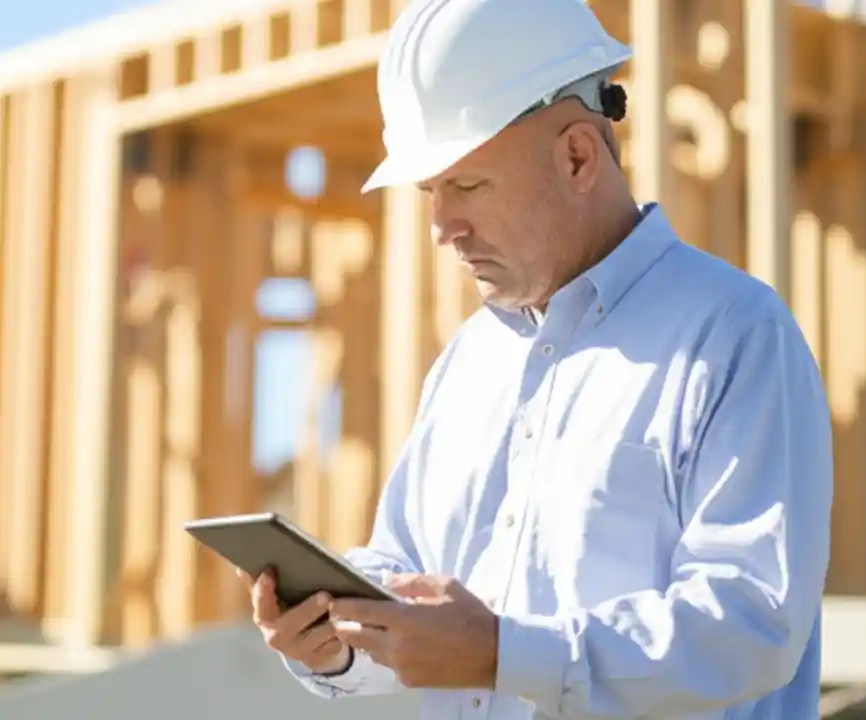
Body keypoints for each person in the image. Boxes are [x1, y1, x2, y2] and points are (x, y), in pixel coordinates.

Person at [238, 0, 834, 717]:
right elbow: (408, 578)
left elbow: (751, 626)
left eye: (468, 185)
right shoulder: (468, 363)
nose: (441, 228)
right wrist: (333, 639)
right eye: (431, 192)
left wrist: (501, 652)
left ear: (578, 154)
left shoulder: (733, 336)